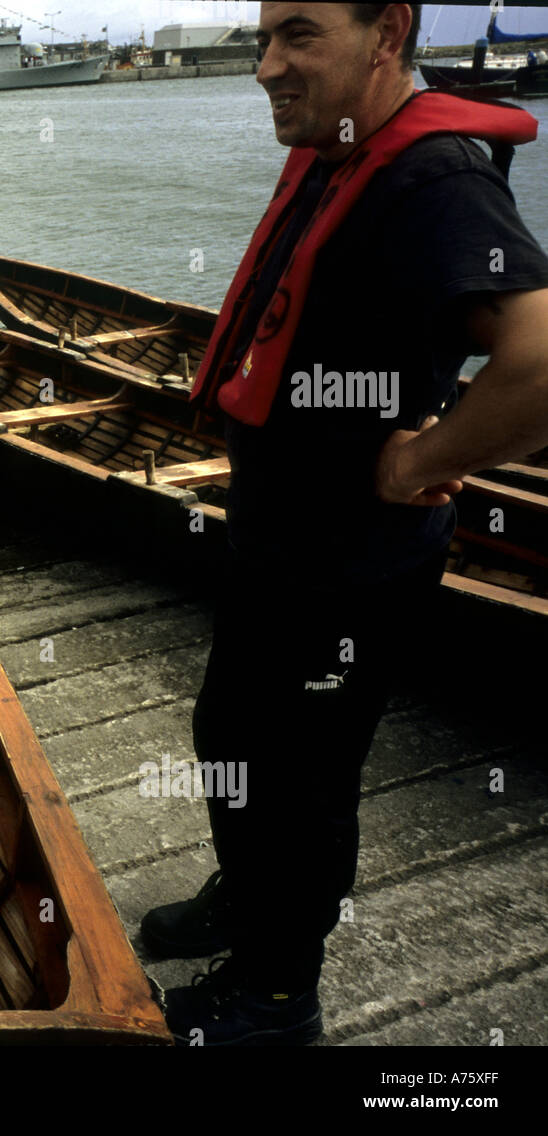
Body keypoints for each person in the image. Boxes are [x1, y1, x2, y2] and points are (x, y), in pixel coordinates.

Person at [140, 2, 548, 1045]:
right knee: (230, 732)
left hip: (349, 566)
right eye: (263, 36)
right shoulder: (342, 151)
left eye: (300, 35)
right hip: (280, 542)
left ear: (388, 31)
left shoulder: (434, 174)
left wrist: (425, 456)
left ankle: (276, 995)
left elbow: (539, 360)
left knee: (300, 780)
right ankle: (249, 896)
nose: (267, 64)